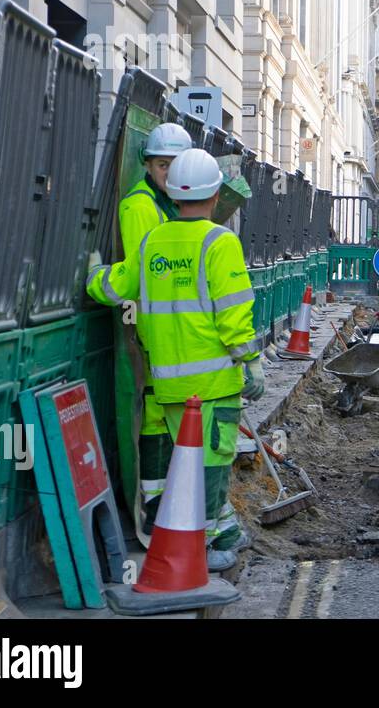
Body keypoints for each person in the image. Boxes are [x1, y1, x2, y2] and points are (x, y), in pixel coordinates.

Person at [87, 149, 263, 572]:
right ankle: (204, 549)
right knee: (212, 464)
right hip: (215, 385)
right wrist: (251, 361)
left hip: (167, 386)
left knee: (186, 465)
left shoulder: (153, 240)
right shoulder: (220, 242)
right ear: (217, 193)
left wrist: (93, 274)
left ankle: (224, 531)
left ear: (175, 192)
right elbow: (233, 311)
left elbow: (117, 286)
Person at [119, 122, 191, 536]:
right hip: (154, 334)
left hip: (173, 334)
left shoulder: (170, 203)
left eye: (175, 165)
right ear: (149, 165)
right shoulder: (140, 206)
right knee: (154, 416)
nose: (168, 173)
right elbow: (139, 275)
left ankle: (167, 502)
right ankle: (155, 504)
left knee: (164, 415)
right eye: (162, 165)